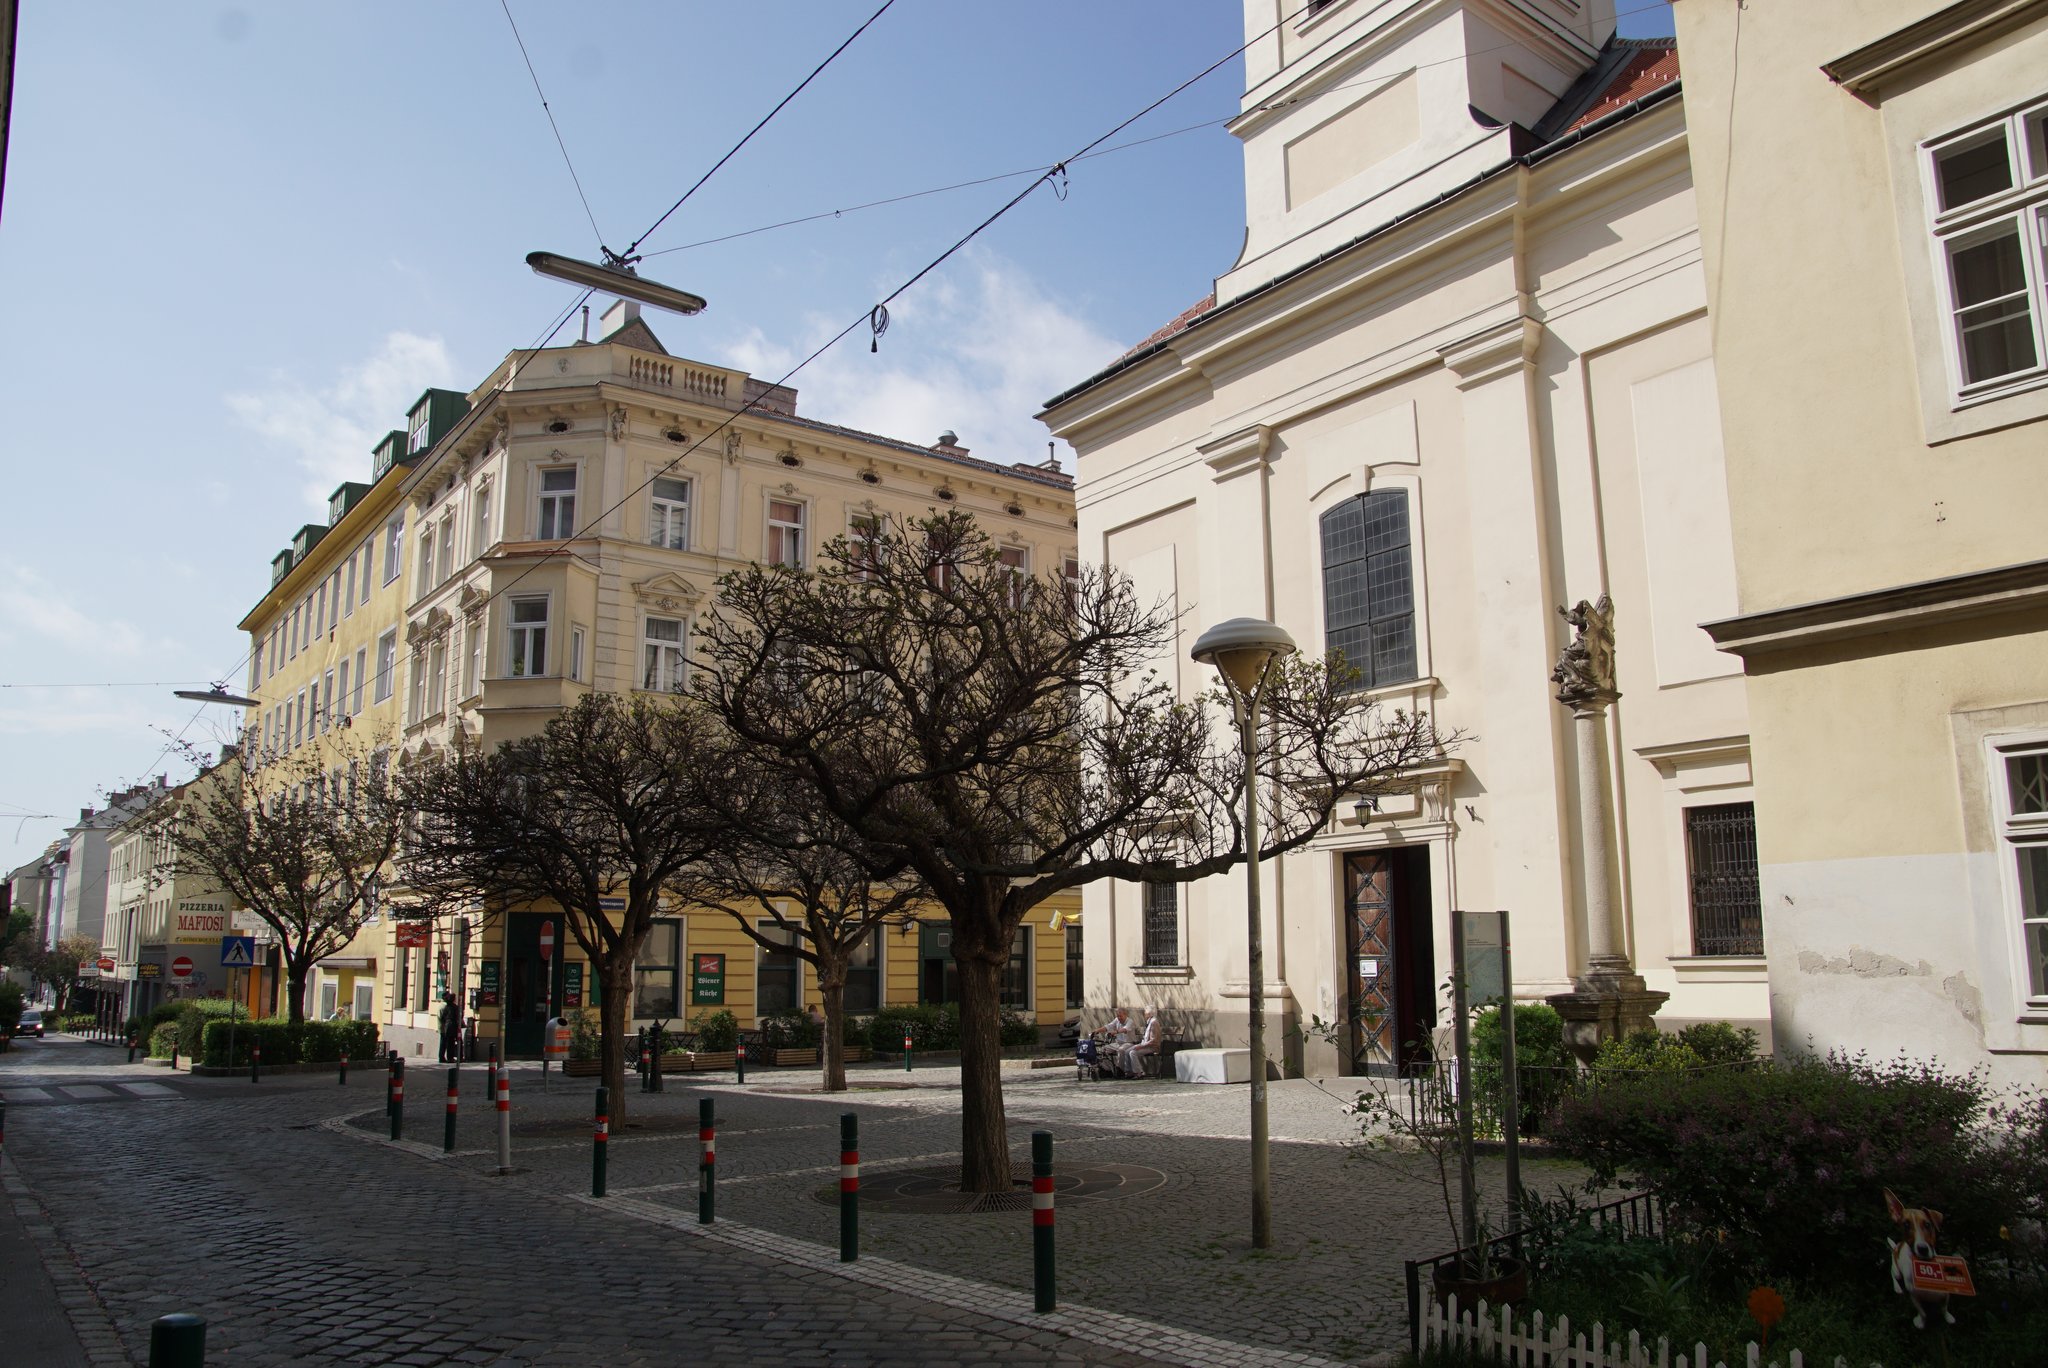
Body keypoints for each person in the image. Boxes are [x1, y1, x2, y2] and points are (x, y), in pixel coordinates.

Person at [1123, 1007, 1162, 1078]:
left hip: (1152, 1047)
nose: (1144, 1015)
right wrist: (1141, 1045)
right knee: (1127, 1051)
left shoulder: (1154, 1023)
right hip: (1145, 1044)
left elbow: (1153, 1040)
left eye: (1145, 1013)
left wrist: (1140, 1046)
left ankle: (1139, 1073)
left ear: (1149, 1014)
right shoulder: (1150, 1021)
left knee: (1133, 1052)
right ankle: (1129, 1072)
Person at [437, 991, 460, 1063]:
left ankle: (445, 1057)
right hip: (452, 1026)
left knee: (446, 1043)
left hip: (446, 1026)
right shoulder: (454, 1007)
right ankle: (450, 1058)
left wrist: (446, 1022)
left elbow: (442, 1017)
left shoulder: (446, 1007)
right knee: (451, 1043)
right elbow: (458, 1017)